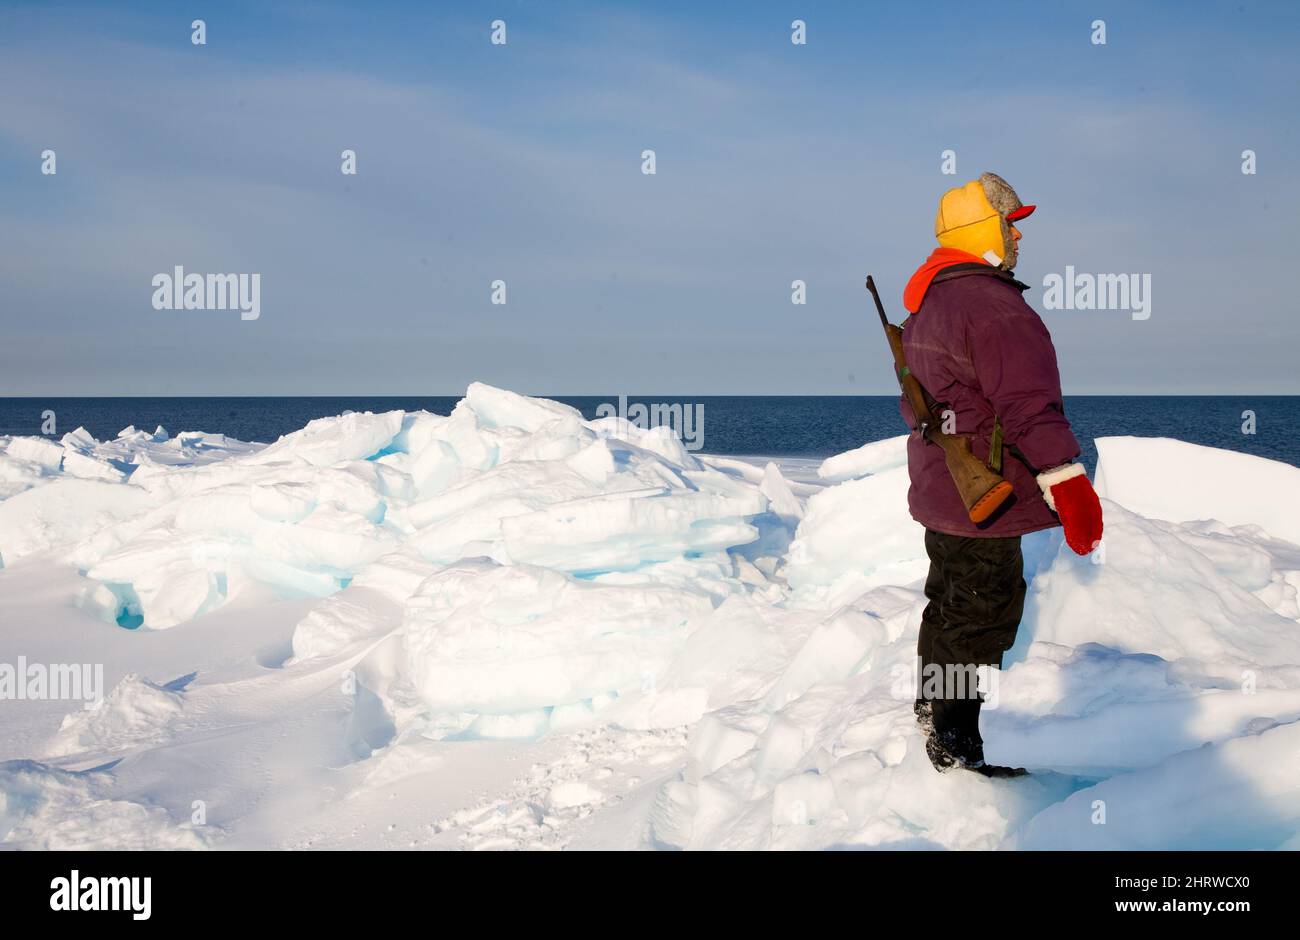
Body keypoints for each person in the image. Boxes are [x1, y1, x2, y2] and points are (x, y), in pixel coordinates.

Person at [899, 172, 1104, 777]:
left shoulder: (930, 305)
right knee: (978, 611)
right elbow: (1027, 406)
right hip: (984, 490)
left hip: (945, 486)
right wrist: (1067, 480)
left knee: (948, 601)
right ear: (985, 231)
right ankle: (956, 747)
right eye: (1011, 225)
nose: (1019, 237)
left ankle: (933, 709)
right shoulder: (993, 309)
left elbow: (920, 403)